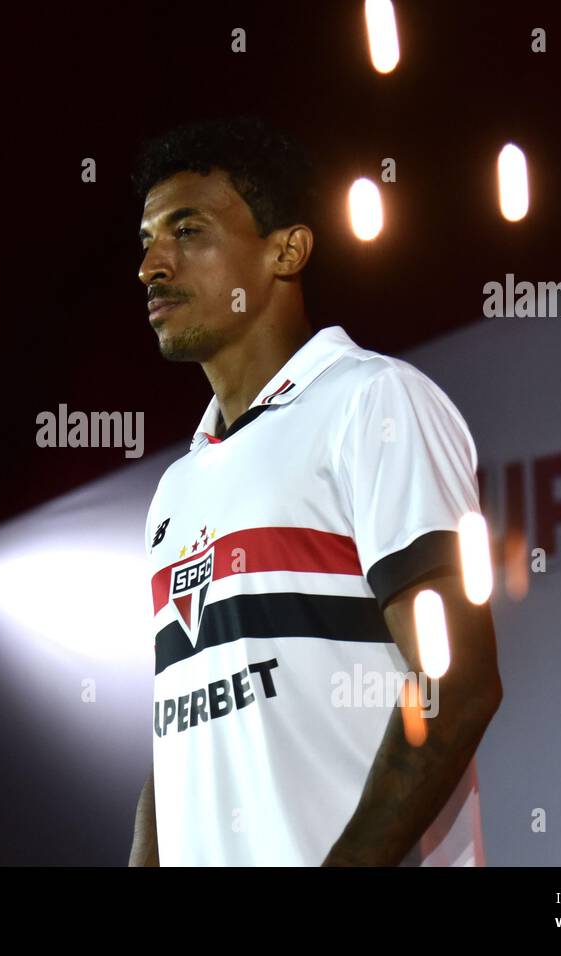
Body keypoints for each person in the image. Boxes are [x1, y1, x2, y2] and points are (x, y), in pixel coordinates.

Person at [128, 116, 503, 866]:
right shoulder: (175, 487)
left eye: (188, 231)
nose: (151, 267)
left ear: (287, 250)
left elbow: (457, 683)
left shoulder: (373, 403)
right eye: (146, 241)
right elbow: (184, 728)